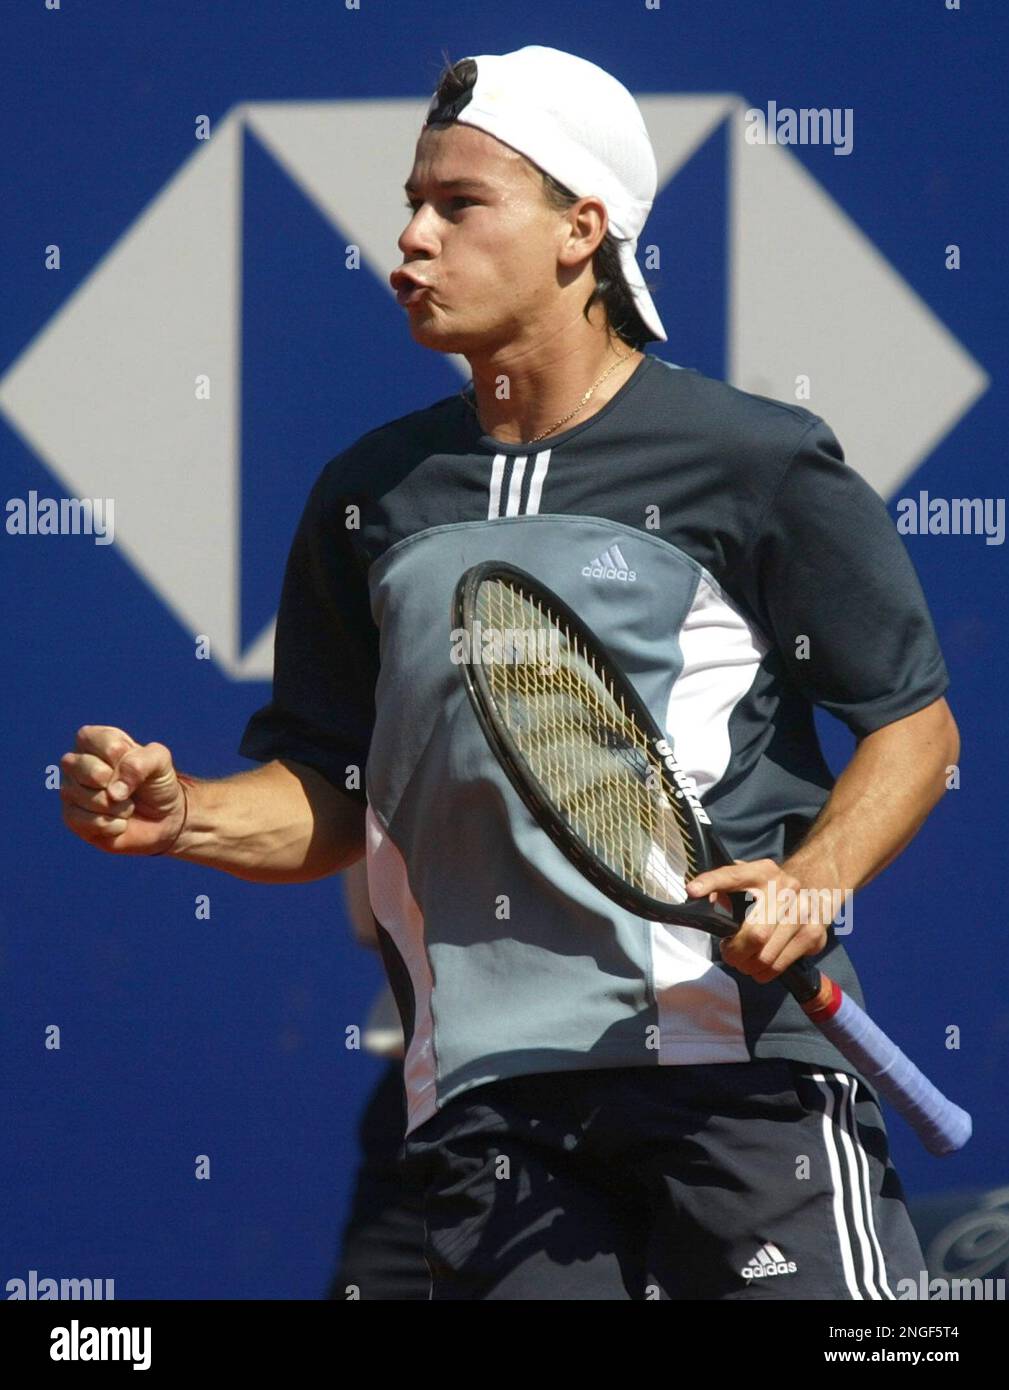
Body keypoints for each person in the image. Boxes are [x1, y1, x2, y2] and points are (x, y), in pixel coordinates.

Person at [59, 45, 960, 1300]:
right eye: (409, 206)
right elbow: (331, 789)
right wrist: (186, 815)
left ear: (580, 229)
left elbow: (914, 727)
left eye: (459, 205)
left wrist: (814, 882)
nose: (410, 240)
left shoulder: (752, 459)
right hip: (489, 1105)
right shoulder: (368, 496)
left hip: (736, 1072)